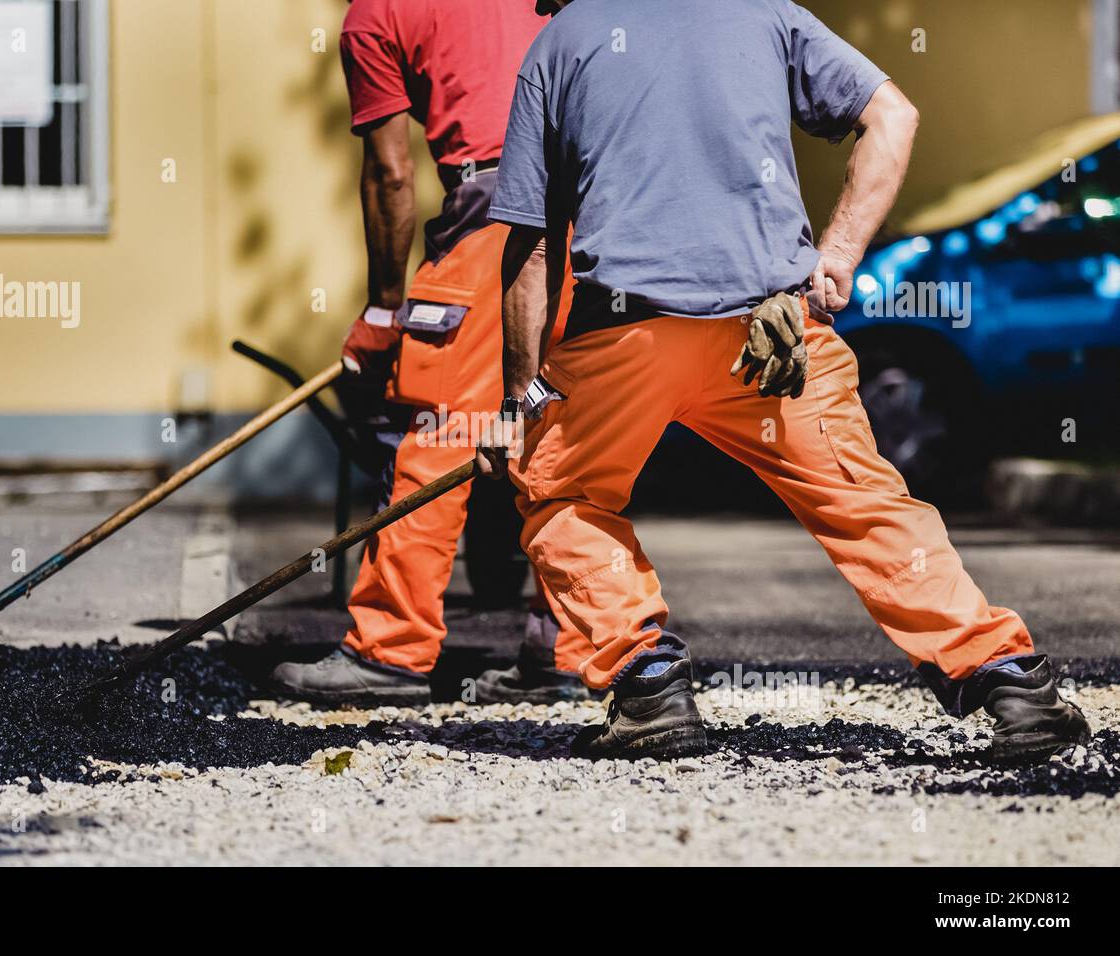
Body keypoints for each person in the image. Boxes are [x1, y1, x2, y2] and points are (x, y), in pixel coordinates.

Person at [478, 0, 1090, 761]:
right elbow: (893, 116)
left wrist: (517, 403)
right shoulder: (765, 12)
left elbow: (532, 248)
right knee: (865, 505)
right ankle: (1005, 677)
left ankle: (647, 684)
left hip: (625, 336)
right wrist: (834, 259)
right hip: (775, 334)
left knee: (560, 492)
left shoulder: (559, 42)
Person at [270, 0, 591, 708]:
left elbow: (389, 175)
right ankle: (567, 646)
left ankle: (390, 649)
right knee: (561, 430)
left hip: (498, 209)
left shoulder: (373, 15)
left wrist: (384, 312)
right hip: (598, 204)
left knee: (437, 432)